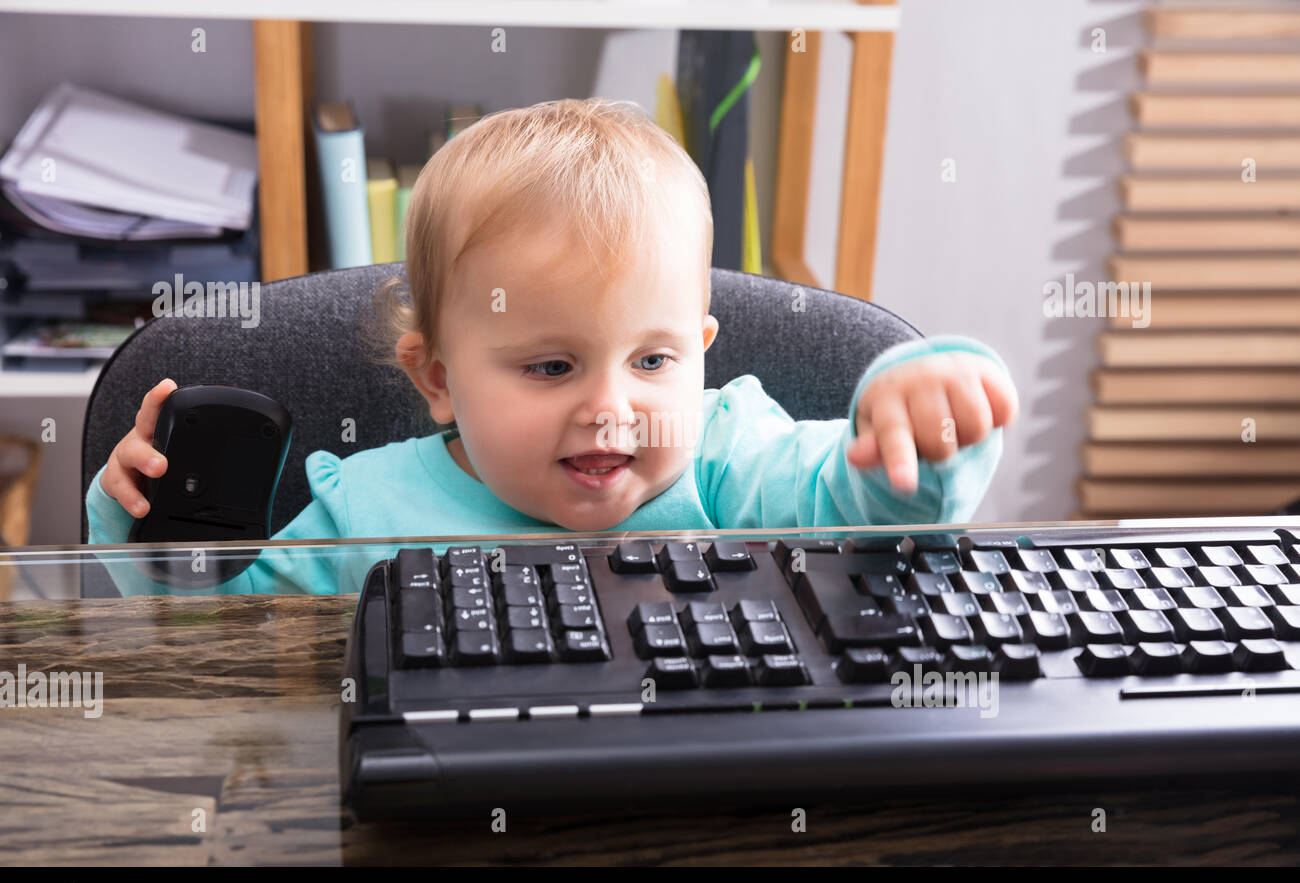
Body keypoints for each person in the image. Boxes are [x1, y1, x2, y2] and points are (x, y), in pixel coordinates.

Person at [86, 98, 1018, 596]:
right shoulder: (368, 510)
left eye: (653, 362)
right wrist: (144, 541)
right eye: (551, 366)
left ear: (700, 354)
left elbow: (871, 518)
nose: (610, 407)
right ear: (439, 380)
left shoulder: (730, 457)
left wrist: (917, 421)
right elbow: (223, 650)